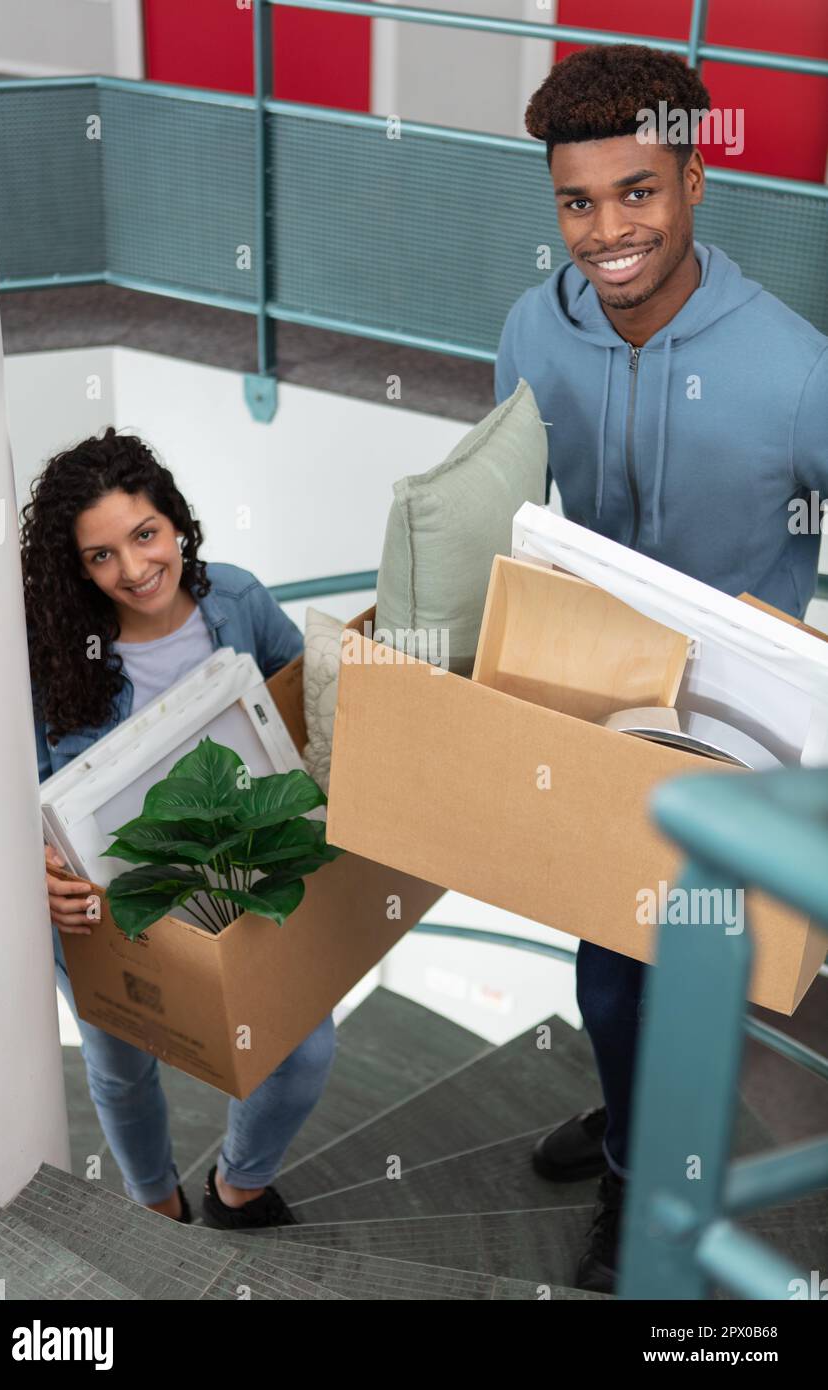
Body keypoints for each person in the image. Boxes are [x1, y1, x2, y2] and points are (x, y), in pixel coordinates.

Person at [494, 44, 828, 1292]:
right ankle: (635, 1133)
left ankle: (645, 1187)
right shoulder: (534, 326)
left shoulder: (796, 371)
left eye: (637, 192)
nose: (606, 231)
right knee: (603, 963)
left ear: (696, 177)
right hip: (590, 715)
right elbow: (505, 504)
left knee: (650, 969)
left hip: (728, 745)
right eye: (577, 203)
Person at [24, 426, 336, 1229]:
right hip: (106, 908)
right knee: (121, 1069)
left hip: (243, 869)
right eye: (101, 556)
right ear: (77, 568)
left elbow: (301, 707)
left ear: (175, 522)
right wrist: (39, 873)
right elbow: (13, 798)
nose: (133, 571)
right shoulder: (50, 655)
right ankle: (156, 1206)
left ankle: (237, 1189)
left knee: (302, 1050)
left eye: (144, 535)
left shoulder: (238, 601)